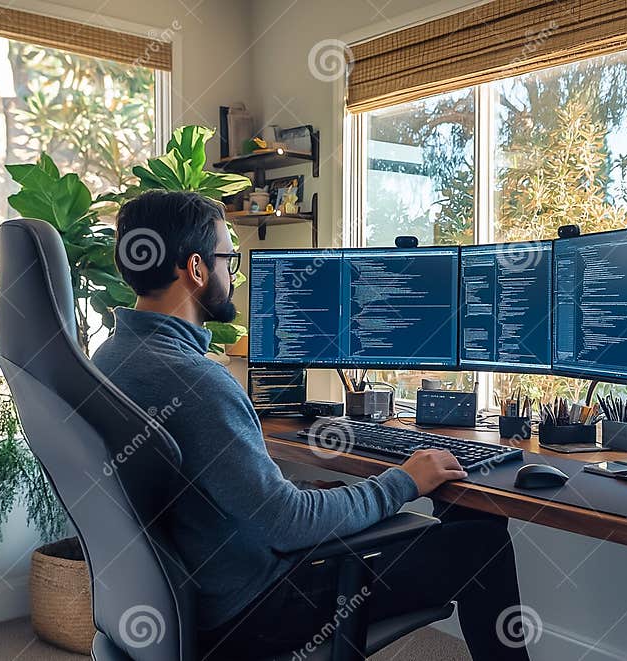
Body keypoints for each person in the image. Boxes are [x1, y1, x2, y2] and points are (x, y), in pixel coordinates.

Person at [92, 190, 531, 660]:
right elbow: (288, 524)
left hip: (191, 597)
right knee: (483, 541)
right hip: (252, 612)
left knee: (464, 514)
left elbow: (205, 488)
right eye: (228, 259)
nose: (233, 274)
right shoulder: (198, 381)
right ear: (197, 269)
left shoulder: (110, 358)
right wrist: (402, 481)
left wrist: (294, 491)